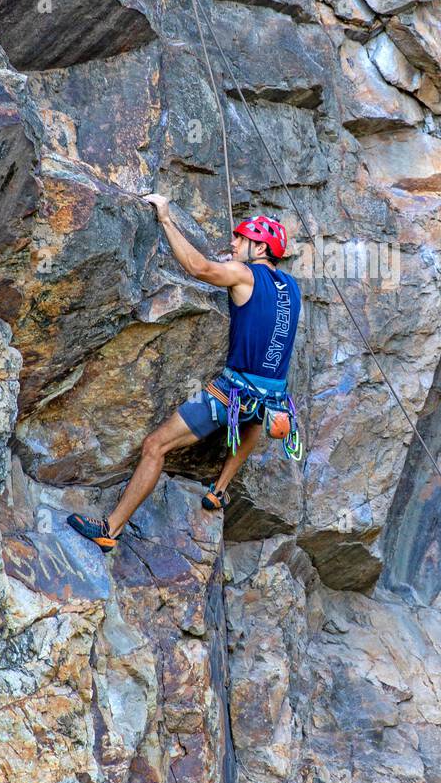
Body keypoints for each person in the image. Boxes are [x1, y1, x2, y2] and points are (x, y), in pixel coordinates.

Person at [66, 202, 302, 550]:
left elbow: (197, 267)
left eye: (241, 240)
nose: (234, 245)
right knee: (255, 416)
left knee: (155, 446)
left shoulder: (243, 274)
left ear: (261, 248)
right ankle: (219, 490)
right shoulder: (293, 289)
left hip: (231, 394)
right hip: (273, 404)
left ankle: (110, 530)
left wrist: (165, 218)